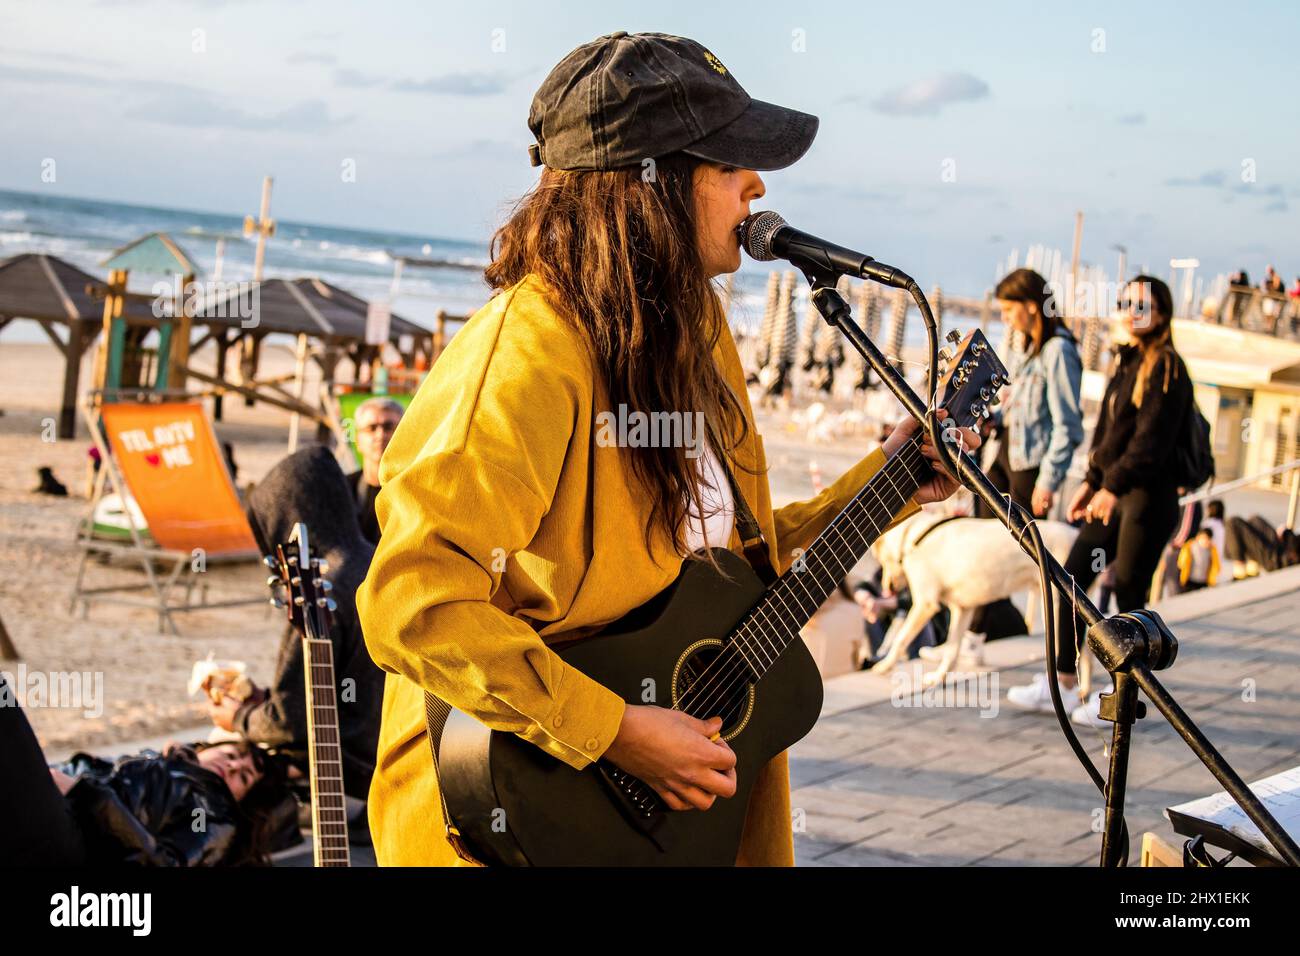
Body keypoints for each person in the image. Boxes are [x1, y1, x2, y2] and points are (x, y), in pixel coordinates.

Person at [356, 31, 979, 867]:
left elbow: (724, 564)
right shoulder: (526, 352)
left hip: (682, 820)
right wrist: (617, 732)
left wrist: (889, 482)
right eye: (729, 162)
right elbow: (411, 604)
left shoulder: (698, 335)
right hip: (511, 820)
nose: (760, 185)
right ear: (644, 185)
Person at [1008, 276, 1192, 714]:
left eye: (1141, 304)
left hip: (1147, 498)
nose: (1131, 310)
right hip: (1116, 492)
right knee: (1070, 579)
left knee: (1129, 594)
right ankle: (1066, 681)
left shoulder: (1167, 366)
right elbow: (1110, 436)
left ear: (1162, 313)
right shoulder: (1129, 361)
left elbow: (1151, 441)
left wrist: (1112, 487)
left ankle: (1123, 699)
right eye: (1125, 301)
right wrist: (1092, 481)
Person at [210, 446, 385, 806]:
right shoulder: (377, 562)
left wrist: (239, 716)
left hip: (342, 780)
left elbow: (290, 721)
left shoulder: (320, 588)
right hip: (390, 766)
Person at [1, 674, 294, 866]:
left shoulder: (214, 815)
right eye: (233, 755)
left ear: (243, 799)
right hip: (54, 808)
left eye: (243, 777)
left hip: (78, 844)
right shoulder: (161, 761)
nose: (231, 767)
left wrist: (85, 794)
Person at [968, 268, 1084, 642]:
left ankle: (1058, 646)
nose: (1004, 319)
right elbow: (1018, 406)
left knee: (1032, 559)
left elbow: (1068, 425)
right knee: (987, 545)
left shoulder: (1058, 352)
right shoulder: (1026, 349)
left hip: (1031, 470)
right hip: (1007, 456)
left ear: (1031, 307)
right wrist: (992, 418)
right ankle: (975, 637)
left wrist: (1049, 481)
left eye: (1008, 310)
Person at [347, 397, 404, 545]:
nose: (380, 435)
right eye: (371, 428)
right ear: (358, 440)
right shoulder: (342, 488)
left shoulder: (415, 490)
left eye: (388, 427)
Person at [1223, 514, 1300, 577]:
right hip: (1282, 550)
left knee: (1233, 522)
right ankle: (1252, 566)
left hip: (1277, 559)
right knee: (1255, 520)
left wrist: (1286, 533)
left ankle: (1239, 569)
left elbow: (1295, 547)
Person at [1178, 527, 1219, 591]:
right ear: (1198, 537)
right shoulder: (1190, 546)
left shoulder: (1212, 550)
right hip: (1190, 580)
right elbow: (1182, 563)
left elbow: (1216, 565)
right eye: (1204, 538)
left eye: (1208, 539)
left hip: (1204, 581)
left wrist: (1212, 580)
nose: (1205, 541)